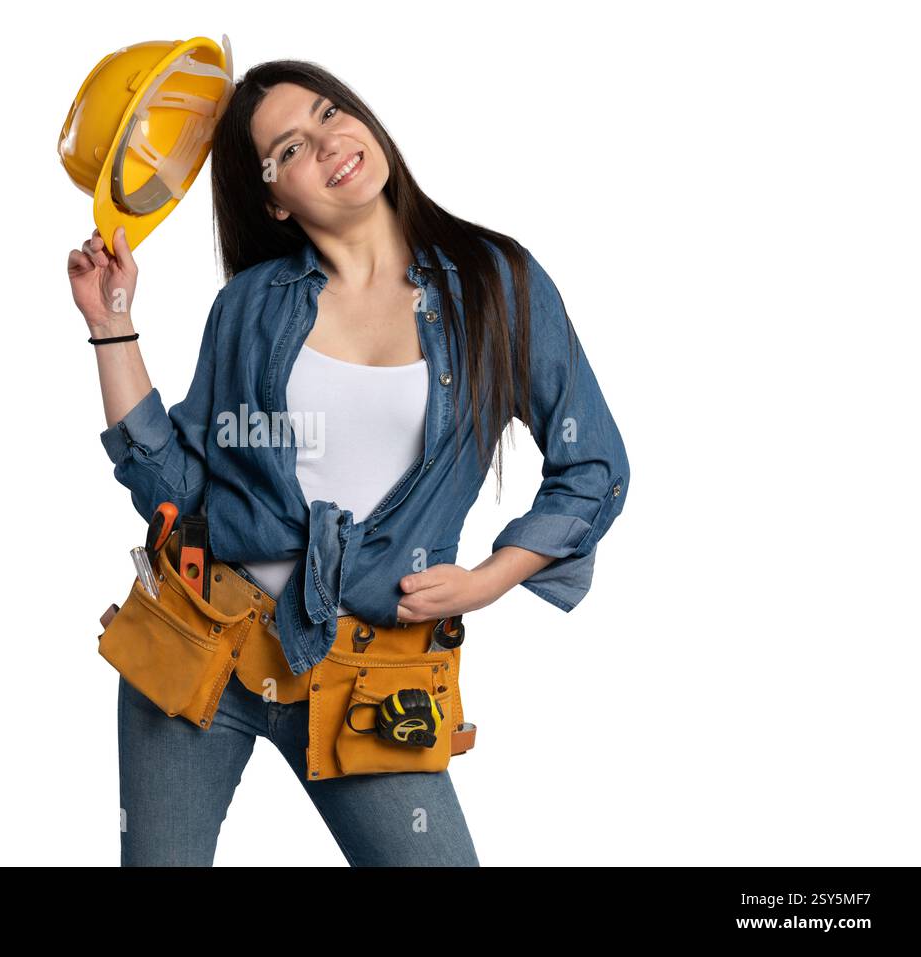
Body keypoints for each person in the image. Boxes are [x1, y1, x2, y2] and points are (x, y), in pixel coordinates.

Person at [68, 60, 631, 866]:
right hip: (202, 644)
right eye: (290, 147)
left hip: (370, 681)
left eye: (332, 111)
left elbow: (594, 465)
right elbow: (180, 489)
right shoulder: (252, 305)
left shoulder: (497, 284)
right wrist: (112, 325)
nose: (330, 140)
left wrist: (489, 578)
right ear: (273, 199)